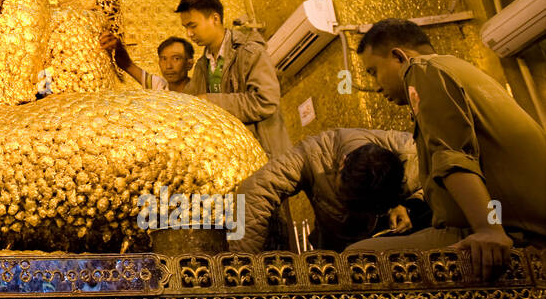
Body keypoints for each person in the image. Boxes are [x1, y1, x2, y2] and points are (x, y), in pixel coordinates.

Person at [348, 18, 546, 280]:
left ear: (398, 56)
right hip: (524, 222)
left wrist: (488, 230)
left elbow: (453, 156)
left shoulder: (422, 70)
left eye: (373, 71)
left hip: (514, 231)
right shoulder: (459, 69)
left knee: (356, 260)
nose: (375, 85)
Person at [231, 128, 425, 253]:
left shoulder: (412, 154)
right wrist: (243, 263)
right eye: (345, 198)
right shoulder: (314, 154)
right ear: (341, 163)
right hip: (338, 258)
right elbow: (253, 191)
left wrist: (409, 206)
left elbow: (439, 185)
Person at [176, 0, 293, 158]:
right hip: (235, 159)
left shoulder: (249, 51)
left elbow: (265, 101)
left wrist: (211, 101)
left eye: (193, 25)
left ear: (215, 18)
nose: (189, 34)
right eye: (185, 27)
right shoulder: (202, 66)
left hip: (267, 157)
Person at [100, 33, 194, 92]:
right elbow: (127, 64)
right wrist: (116, 45)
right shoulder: (159, 86)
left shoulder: (199, 90)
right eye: (164, 59)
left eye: (176, 58)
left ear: (189, 64)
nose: (168, 66)